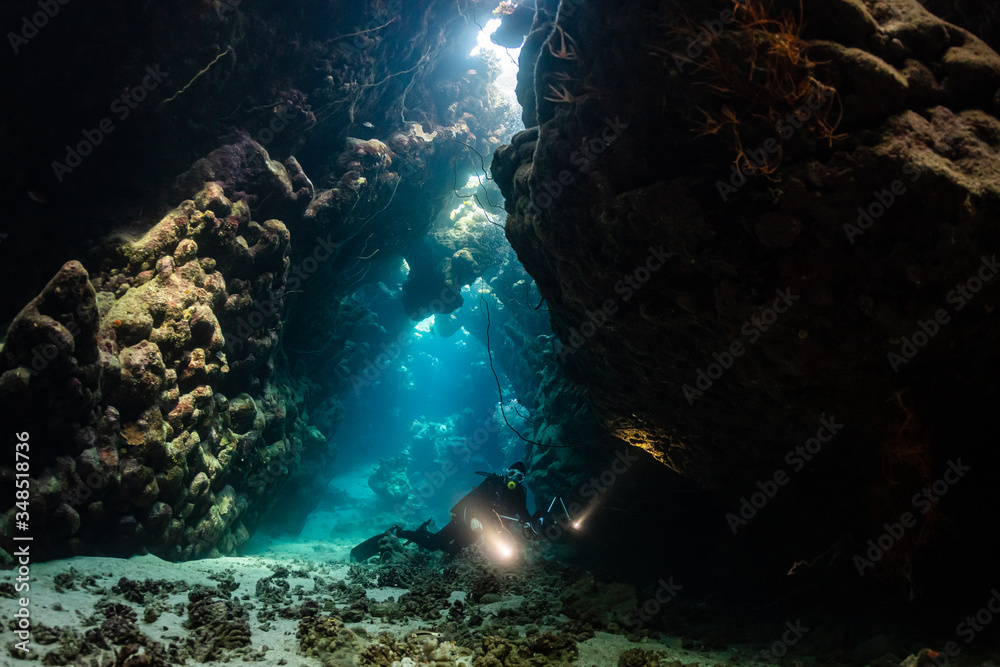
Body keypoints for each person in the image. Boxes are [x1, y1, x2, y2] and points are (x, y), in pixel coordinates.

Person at [394, 461, 535, 555]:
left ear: (522, 480)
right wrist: (473, 517)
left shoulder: (519, 495)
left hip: (481, 528)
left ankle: (426, 532)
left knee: (456, 551)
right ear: (507, 473)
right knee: (433, 544)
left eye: (519, 477)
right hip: (465, 518)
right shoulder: (492, 484)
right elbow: (473, 500)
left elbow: (524, 514)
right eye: (512, 474)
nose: (513, 479)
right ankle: (399, 532)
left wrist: (534, 524)